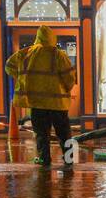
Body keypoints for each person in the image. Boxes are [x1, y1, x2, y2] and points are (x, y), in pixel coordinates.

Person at [5, 25, 76, 167]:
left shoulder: (26, 54)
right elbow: (69, 77)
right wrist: (66, 89)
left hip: (37, 103)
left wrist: (22, 79)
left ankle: (44, 159)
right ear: (52, 37)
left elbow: (9, 66)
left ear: (37, 37)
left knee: (42, 134)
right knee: (64, 134)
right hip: (58, 104)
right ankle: (69, 159)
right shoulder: (58, 54)